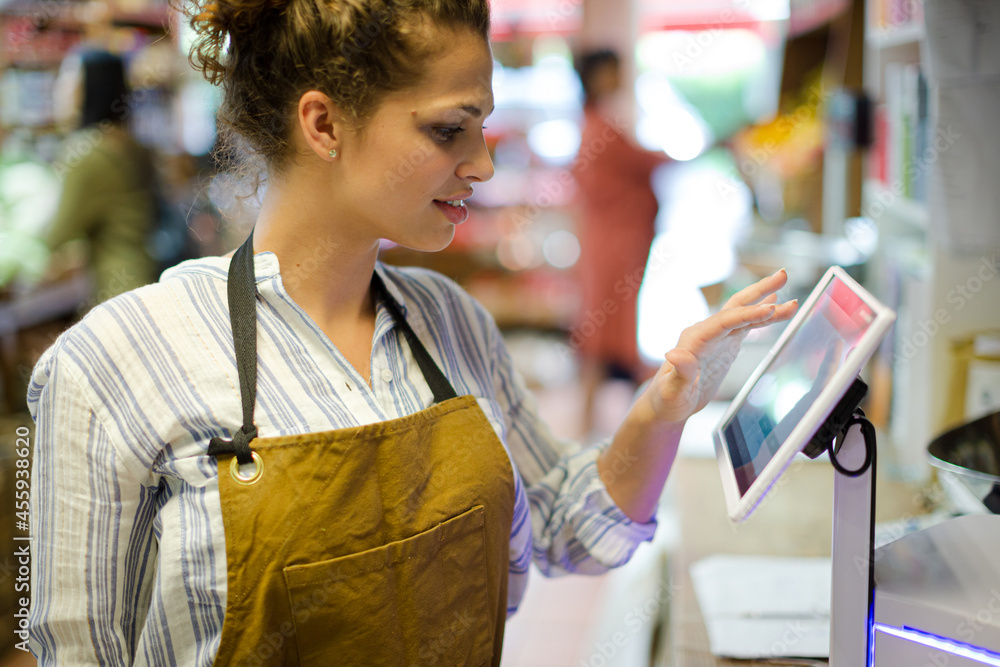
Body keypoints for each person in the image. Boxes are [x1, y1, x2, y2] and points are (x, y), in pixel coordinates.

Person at [26, 1, 798, 664]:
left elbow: (572, 527)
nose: (483, 164)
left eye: (483, 128)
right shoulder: (112, 365)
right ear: (324, 123)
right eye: (449, 130)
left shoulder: (449, 323)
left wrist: (668, 401)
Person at [570, 49, 672, 437]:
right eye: (613, 70)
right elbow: (645, 162)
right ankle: (624, 426)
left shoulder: (596, 125)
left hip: (610, 241)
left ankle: (616, 424)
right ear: (597, 77)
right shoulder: (600, 129)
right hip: (614, 244)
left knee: (607, 330)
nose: (620, 77)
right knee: (606, 332)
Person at [45, 48, 159, 303]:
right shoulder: (128, 142)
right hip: (143, 278)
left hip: (116, 293)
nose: (58, 91)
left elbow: (56, 235)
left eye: (67, 80)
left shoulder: (87, 152)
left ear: (89, 88)